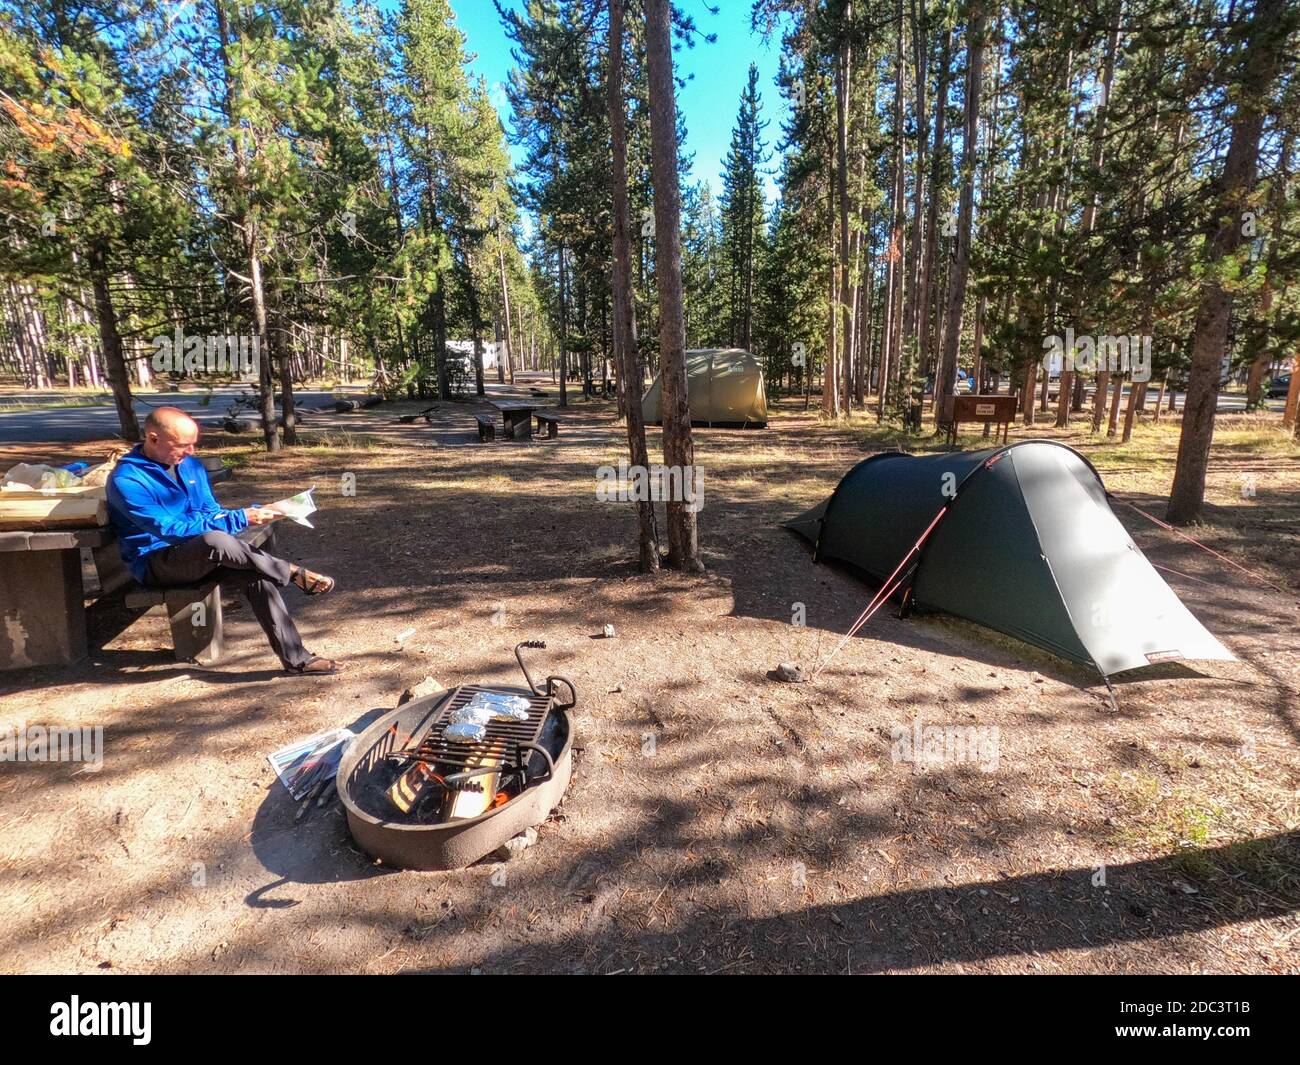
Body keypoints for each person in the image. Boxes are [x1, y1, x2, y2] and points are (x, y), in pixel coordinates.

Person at [106, 407, 341, 675]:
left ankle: (297, 660)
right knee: (216, 540)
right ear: (153, 438)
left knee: (256, 574)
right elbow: (169, 530)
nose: (191, 452)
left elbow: (209, 512)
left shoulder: (190, 465)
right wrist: (238, 519)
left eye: (194, 444)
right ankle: (290, 571)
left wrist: (255, 513)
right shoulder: (127, 480)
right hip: (156, 563)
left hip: (202, 553)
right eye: (182, 445)